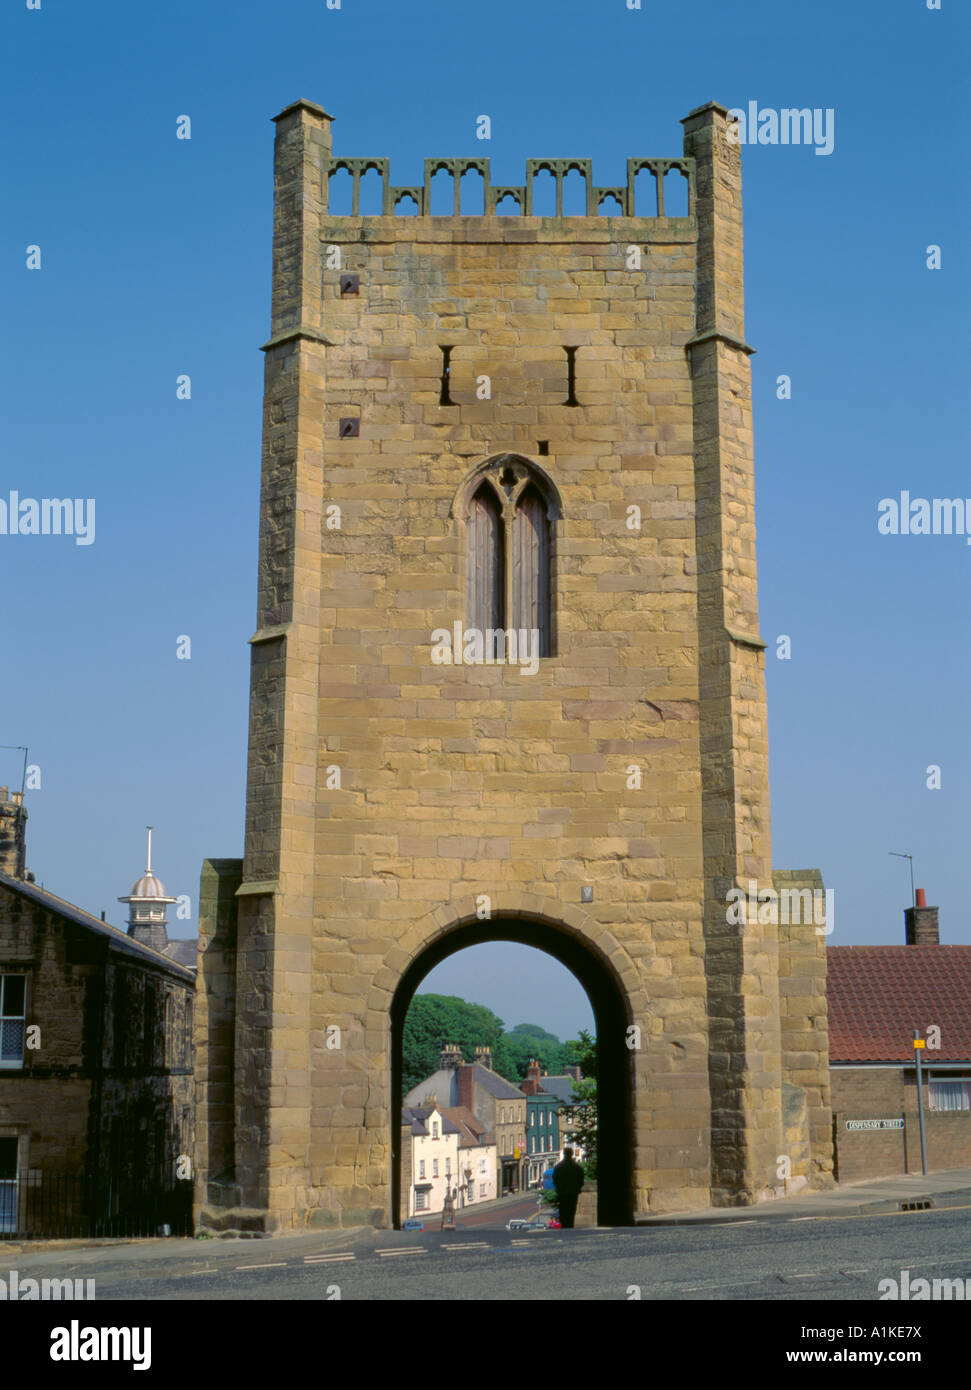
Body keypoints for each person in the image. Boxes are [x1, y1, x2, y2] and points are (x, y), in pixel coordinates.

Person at [551, 1148, 585, 1229]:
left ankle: (564, 1226)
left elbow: (555, 1180)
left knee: (563, 1211)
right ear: (572, 1154)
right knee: (571, 1211)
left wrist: (559, 1188)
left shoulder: (558, 1167)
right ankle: (570, 1225)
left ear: (564, 1154)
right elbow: (581, 1180)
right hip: (573, 1192)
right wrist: (577, 1188)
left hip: (562, 1193)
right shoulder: (577, 1167)